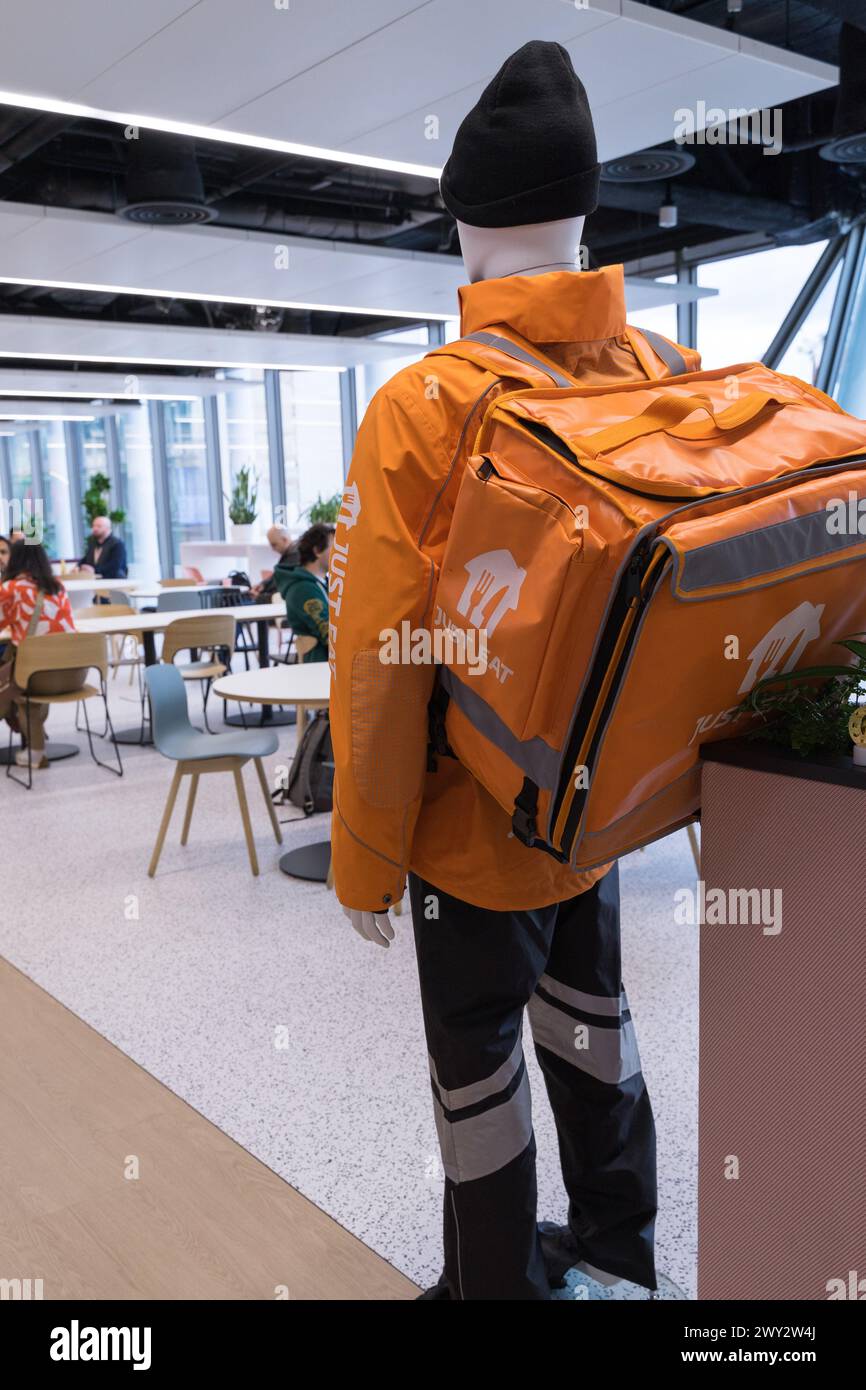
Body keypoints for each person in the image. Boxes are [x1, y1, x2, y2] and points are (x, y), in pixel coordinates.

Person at [329, 41, 699, 1300]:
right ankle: (617, 1251)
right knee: (592, 1024)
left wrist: (365, 857)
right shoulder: (657, 376)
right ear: (582, 215)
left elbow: (383, 659)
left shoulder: (423, 405)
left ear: (465, 228)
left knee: (476, 1064)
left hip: (465, 826)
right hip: (593, 805)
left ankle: (496, 1287)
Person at [0, 539, 83, 769]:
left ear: (15, 560)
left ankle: (35, 751)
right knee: (26, 681)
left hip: (37, 678)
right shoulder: (57, 586)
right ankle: (35, 744)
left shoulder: (10, 589)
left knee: (19, 688)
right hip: (74, 674)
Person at [273, 523, 332, 661]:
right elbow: (329, 634)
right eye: (335, 547)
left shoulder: (321, 583)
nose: (342, 553)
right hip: (319, 665)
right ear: (317, 550)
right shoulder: (303, 589)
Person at [250, 524, 297, 599]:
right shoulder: (290, 554)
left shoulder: (295, 556)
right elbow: (277, 575)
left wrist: (260, 597)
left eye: (274, 545)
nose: (273, 549)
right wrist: (263, 585)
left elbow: (281, 582)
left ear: (285, 540)